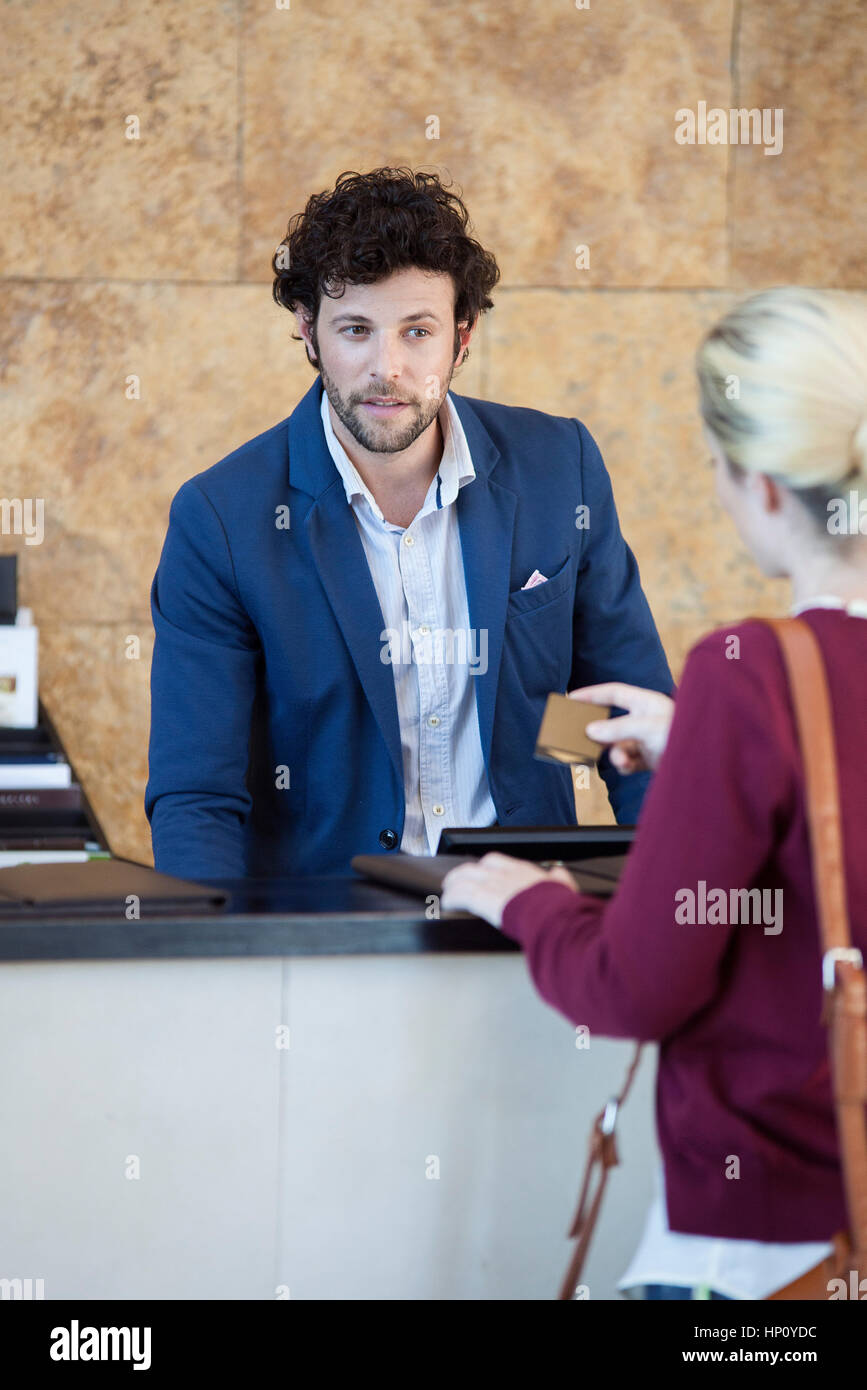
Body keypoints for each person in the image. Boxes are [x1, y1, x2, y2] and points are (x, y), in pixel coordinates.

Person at [441, 287, 867, 1300]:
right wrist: (706, 746)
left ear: (760, 483)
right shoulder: (759, 701)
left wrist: (519, 896)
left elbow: (631, 987)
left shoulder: (750, 671)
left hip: (765, 1254)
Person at [145, 167, 672, 880]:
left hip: (532, 920)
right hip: (328, 936)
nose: (385, 368)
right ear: (308, 332)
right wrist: (222, 968)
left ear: (462, 336)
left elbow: (627, 721)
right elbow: (198, 796)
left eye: (416, 331)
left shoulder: (558, 469)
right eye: (355, 330)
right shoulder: (223, 519)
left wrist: (677, 907)